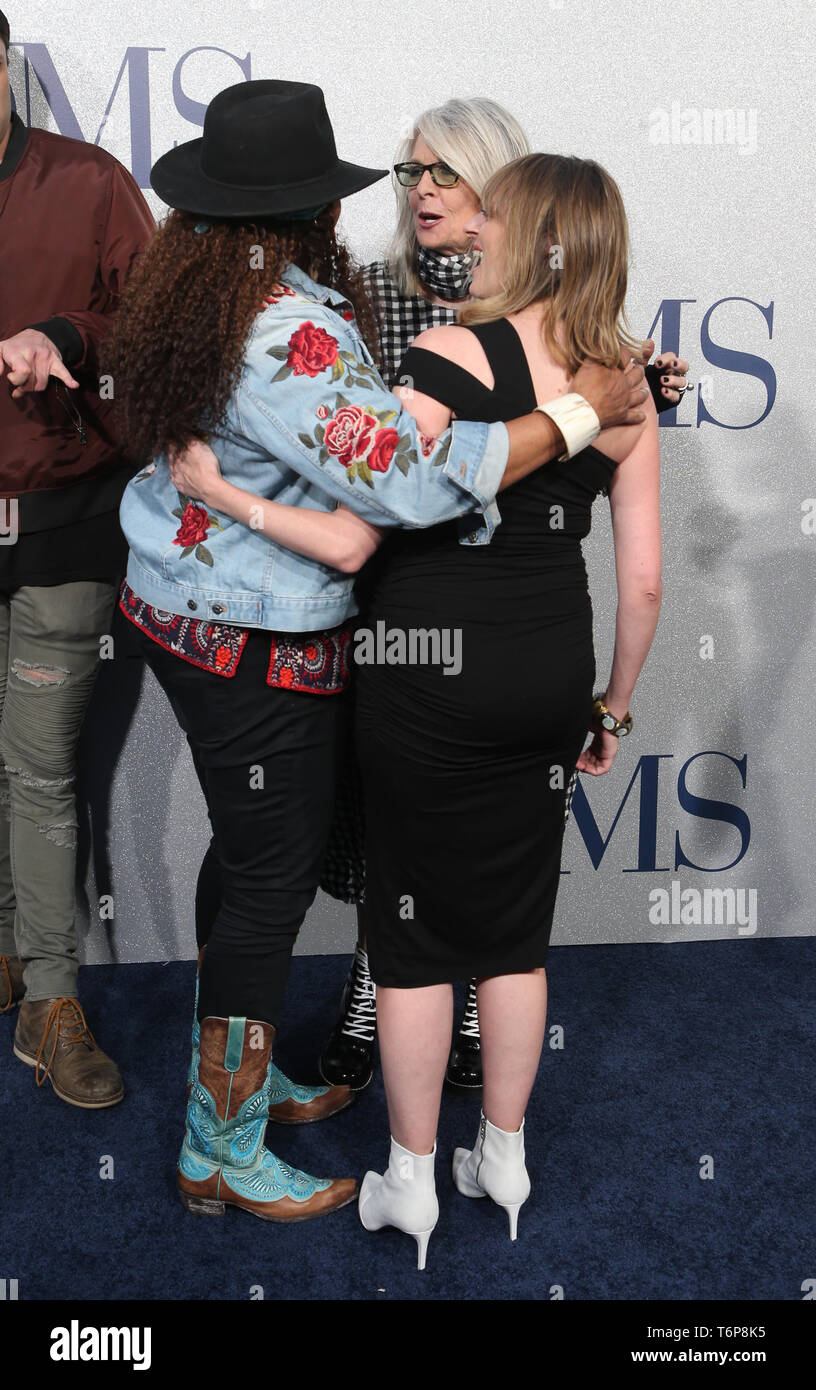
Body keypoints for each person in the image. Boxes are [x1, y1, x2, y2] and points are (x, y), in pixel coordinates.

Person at [109, 79, 648, 1226]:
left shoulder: (220, 285)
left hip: (183, 605)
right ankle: (222, 1144)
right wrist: (582, 413)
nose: (414, 199)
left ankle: (239, 1085)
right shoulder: (296, 329)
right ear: (312, 203)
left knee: (257, 864)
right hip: (251, 633)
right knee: (269, 877)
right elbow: (399, 488)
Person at [317, 98, 689, 1093]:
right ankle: (413, 1019)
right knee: (401, 848)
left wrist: (646, 390)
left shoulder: (560, 345)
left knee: (453, 859)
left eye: (447, 173)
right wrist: (602, 405)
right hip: (452, 626)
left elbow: (391, 473)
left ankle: (431, 1100)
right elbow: (391, 470)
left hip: (436, 634)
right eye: (411, 173)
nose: (427, 191)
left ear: (508, 201)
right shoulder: (375, 296)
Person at [0, 8, 155, 1108]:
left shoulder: (91, 181)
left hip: (63, 525)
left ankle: (50, 996)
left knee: (42, 769)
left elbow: (158, 338)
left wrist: (70, 334)